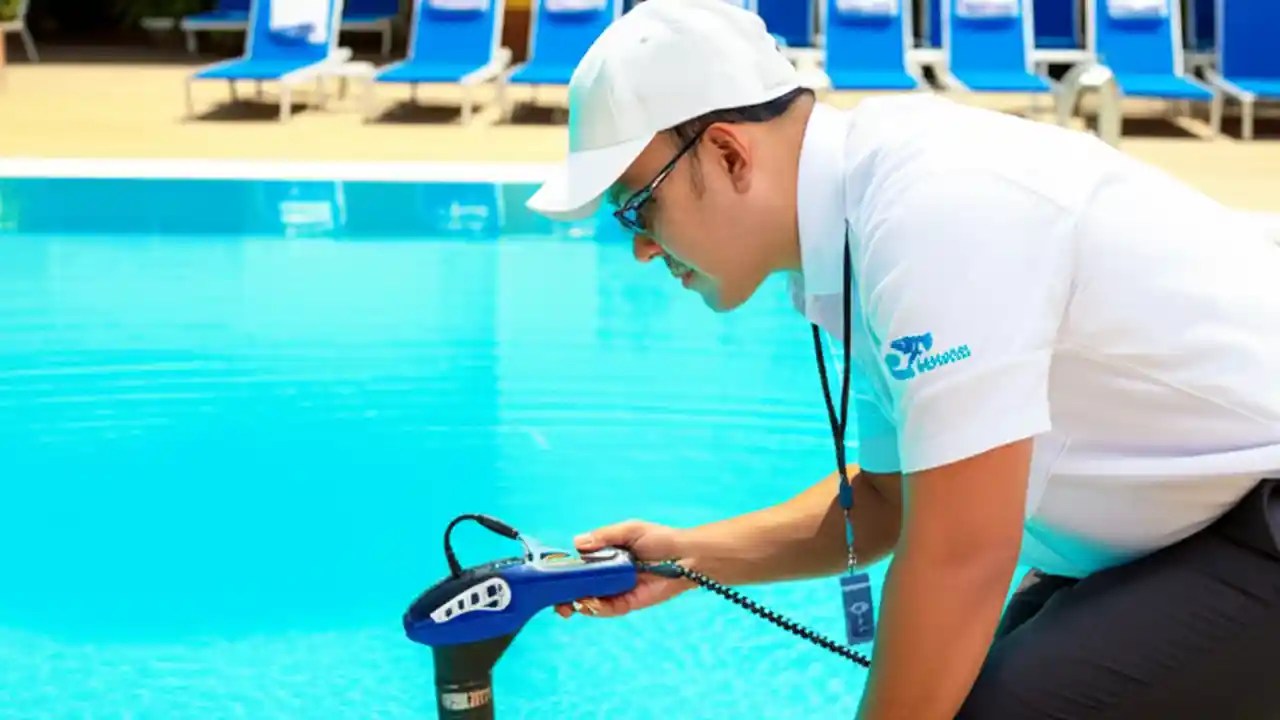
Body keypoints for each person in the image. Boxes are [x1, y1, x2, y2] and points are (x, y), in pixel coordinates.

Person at [523, 0, 1280, 717]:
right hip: (1203, 531)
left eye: (637, 205)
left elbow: (961, 555)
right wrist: (688, 557)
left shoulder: (931, 211)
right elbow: (891, 502)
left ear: (727, 153)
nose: (642, 247)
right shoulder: (857, 225)